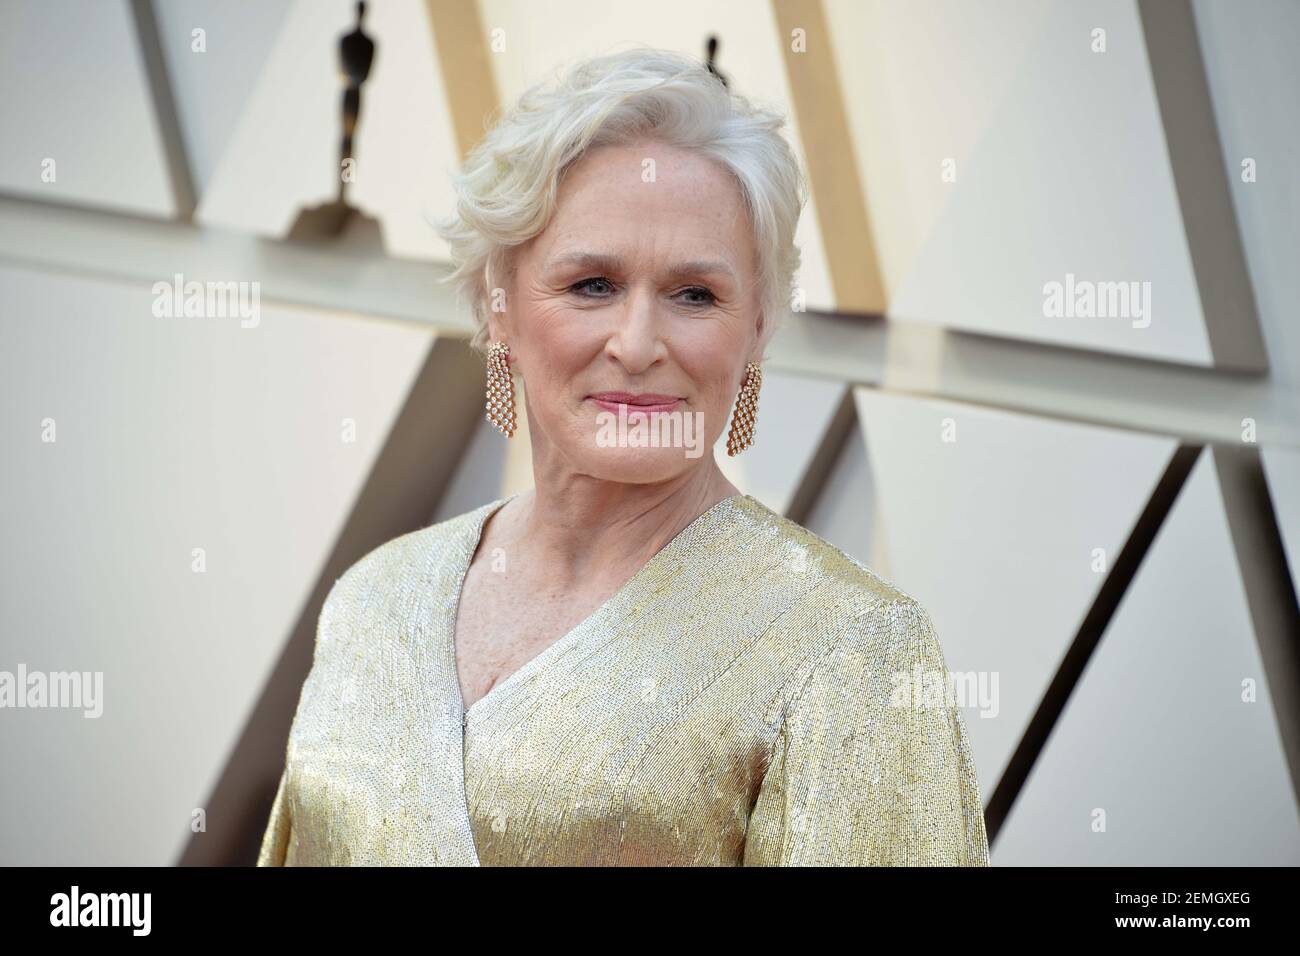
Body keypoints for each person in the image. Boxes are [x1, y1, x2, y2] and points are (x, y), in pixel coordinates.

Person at [257, 46, 989, 866]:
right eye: (593, 285)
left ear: (757, 329)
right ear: (499, 307)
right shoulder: (376, 598)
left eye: (694, 295)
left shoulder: (853, 648)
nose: (638, 345)